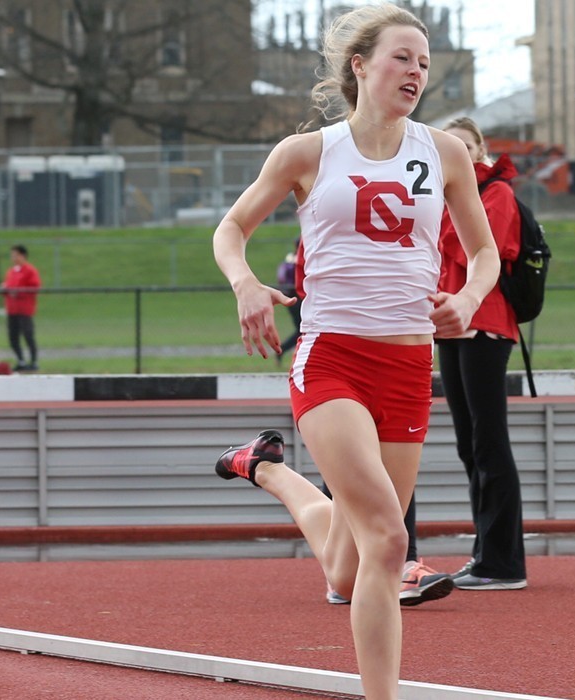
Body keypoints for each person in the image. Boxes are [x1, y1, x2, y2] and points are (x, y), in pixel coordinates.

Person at [206, 6, 497, 697]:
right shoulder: (307, 153)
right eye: (403, 58)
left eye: (425, 63)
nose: (417, 73)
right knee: (390, 544)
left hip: (407, 365)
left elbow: (483, 251)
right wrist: (244, 282)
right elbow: (230, 228)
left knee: (347, 566)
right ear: (360, 65)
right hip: (331, 358)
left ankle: (267, 469)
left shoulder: (446, 151)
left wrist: (468, 300)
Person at [436, 116, 528, 591]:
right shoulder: (446, 196)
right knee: (469, 444)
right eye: (448, 145)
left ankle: (503, 562)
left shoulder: (496, 195)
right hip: (449, 327)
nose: (458, 153)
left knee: (490, 442)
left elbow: (465, 247)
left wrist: (440, 212)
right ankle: (486, 553)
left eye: (466, 146)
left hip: (486, 325)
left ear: (481, 151)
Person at [2, 244, 41, 371]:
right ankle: (21, 360)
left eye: (15, 255)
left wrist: (18, 292)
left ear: (23, 255)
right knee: (13, 336)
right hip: (12, 309)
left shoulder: (30, 271)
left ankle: (34, 361)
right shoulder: (11, 271)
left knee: (28, 335)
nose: (13, 257)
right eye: (12, 255)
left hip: (24, 309)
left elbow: (34, 287)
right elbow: (8, 286)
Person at [275, 238, 304, 360]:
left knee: (301, 330)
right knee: (301, 330)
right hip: (297, 299)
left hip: (291, 298)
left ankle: (282, 351)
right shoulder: (299, 260)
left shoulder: (289, 260)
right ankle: (282, 350)